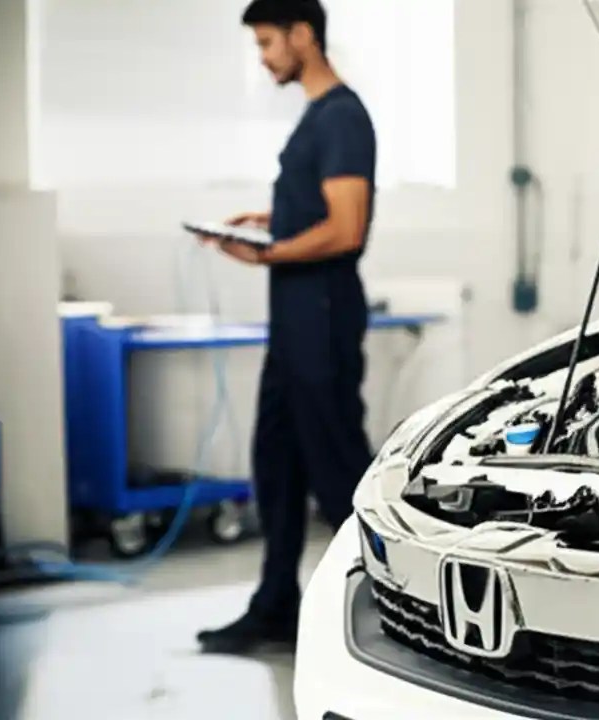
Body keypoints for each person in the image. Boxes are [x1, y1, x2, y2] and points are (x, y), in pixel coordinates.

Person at [196, 0, 377, 654]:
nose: (264, 56)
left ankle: (397, 605)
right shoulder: (316, 120)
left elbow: (346, 228)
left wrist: (268, 252)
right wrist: (266, 220)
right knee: (276, 460)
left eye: (268, 41)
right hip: (294, 322)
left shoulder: (343, 118)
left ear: (303, 35)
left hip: (321, 321)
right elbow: (316, 212)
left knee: (336, 468)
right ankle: (275, 603)